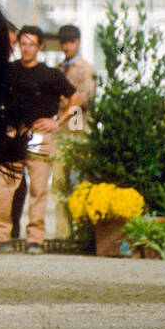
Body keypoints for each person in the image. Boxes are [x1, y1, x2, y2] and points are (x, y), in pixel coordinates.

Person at [0, 26, 76, 255]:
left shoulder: (51, 75)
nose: (26, 48)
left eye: (31, 44)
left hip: (39, 135)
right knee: (2, 186)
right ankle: (2, 236)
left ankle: (35, 238)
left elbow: (76, 98)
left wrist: (57, 121)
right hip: (13, 134)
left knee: (38, 188)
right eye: (23, 43)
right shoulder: (8, 71)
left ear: (40, 47)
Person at [51, 24, 95, 239]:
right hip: (60, 135)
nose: (67, 46)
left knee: (79, 183)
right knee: (59, 184)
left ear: (78, 42)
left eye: (71, 41)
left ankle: (83, 233)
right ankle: (63, 234)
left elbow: (84, 98)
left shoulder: (86, 69)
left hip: (78, 133)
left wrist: (62, 115)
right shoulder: (58, 69)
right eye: (64, 41)